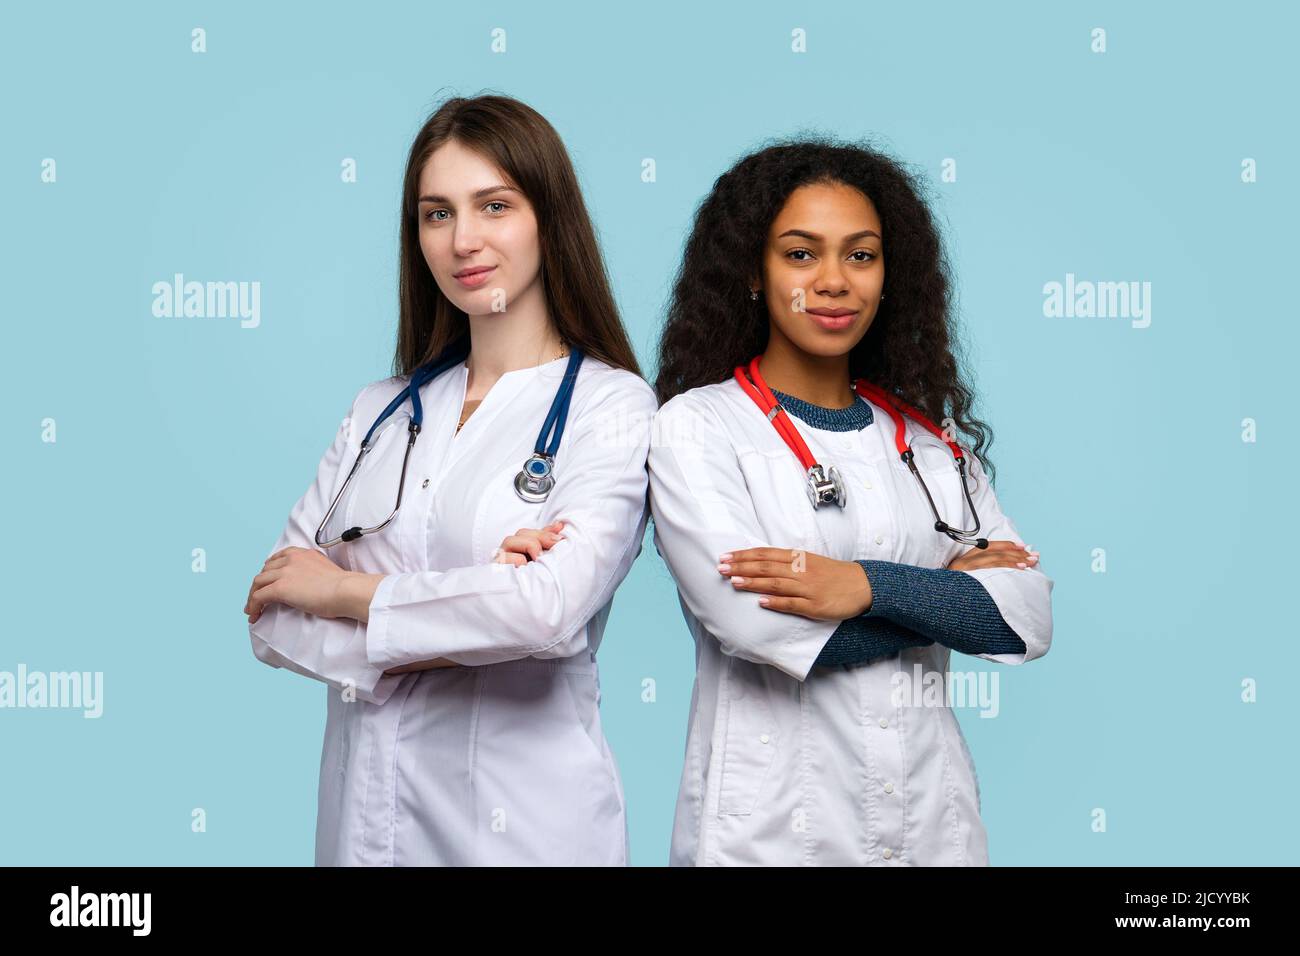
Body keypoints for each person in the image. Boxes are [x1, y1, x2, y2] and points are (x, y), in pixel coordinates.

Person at [242, 94, 657, 866]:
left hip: (526, 831)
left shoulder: (613, 406)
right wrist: (476, 614)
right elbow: (270, 614)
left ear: (548, 217)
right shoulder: (381, 411)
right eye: (436, 214)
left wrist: (343, 595)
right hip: (361, 824)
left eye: (493, 205)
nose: (464, 239)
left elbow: (547, 613)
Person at [646, 138, 1054, 865]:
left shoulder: (931, 442)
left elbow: (1023, 618)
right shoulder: (698, 427)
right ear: (752, 271)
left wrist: (862, 585)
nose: (834, 281)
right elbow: (758, 628)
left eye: (860, 256)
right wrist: (949, 597)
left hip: (933, 829)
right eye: (801, 254)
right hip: (770, 836)